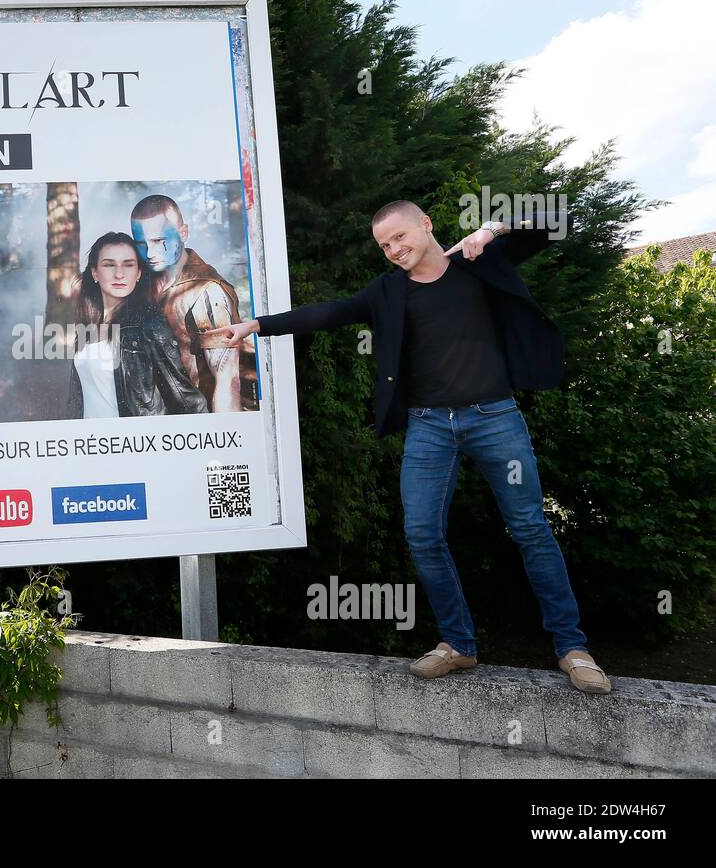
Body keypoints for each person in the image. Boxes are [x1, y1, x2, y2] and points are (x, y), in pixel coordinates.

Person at [208, 200, 611, 695]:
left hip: (495, 418)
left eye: (400, 237)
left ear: (426, 225)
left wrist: (491, 227)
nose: (394, 250)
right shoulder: (387, 291)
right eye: (384, 246)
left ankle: (572, 648)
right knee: (422, 534)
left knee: (529, 526)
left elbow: (560, 223)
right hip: (429, 427)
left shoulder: (480, 262)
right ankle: (459, 644)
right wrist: (259, 325)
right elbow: (331, 311)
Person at [129, 194, 256, 412]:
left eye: (159, 241)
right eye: (141, 244)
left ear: (183, 233)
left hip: (202, 427)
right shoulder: (140, 282)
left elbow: (228, 380)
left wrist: (223, 439)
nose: (150, 253)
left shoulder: (207, 292)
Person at [65, 232, 207, 419]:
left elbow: (186, 399)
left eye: (128, 264)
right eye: (109, 265)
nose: (119, 274)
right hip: (93, 443)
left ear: (139, 273)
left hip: (132, 443)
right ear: (94, 273)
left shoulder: (149, 324)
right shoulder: (88, 326)